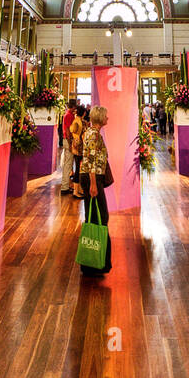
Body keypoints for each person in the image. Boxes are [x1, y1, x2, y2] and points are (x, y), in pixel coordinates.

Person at [78, 105, 112, 277]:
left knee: (95, 217)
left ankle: (93, 262)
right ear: (100, 118)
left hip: (93, 177)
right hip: (92, 178)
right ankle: (95, 262)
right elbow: (90, 160)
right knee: (100, 217)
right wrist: (93, 184)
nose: (108, 118)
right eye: (106, 116)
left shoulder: (93, 133)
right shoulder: (93, 135)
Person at [60, 98, 77, 194]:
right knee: (68, 164)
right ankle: (64, 187)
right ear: (73, 106)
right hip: (68, 141)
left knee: (68, 164)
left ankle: (65, 185)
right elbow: (67, 130)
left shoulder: (68, 114)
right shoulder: (69, 115)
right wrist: (71, 144)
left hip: (67, 140)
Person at [70, 102, 85, 199]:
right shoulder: (78, 122)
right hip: (78, 147)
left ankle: (78, 189)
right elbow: (73, 130)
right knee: (78, 168)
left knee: (78, 168)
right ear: (83, 113)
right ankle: (76, 191)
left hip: (76, 146)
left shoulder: (77, 120)